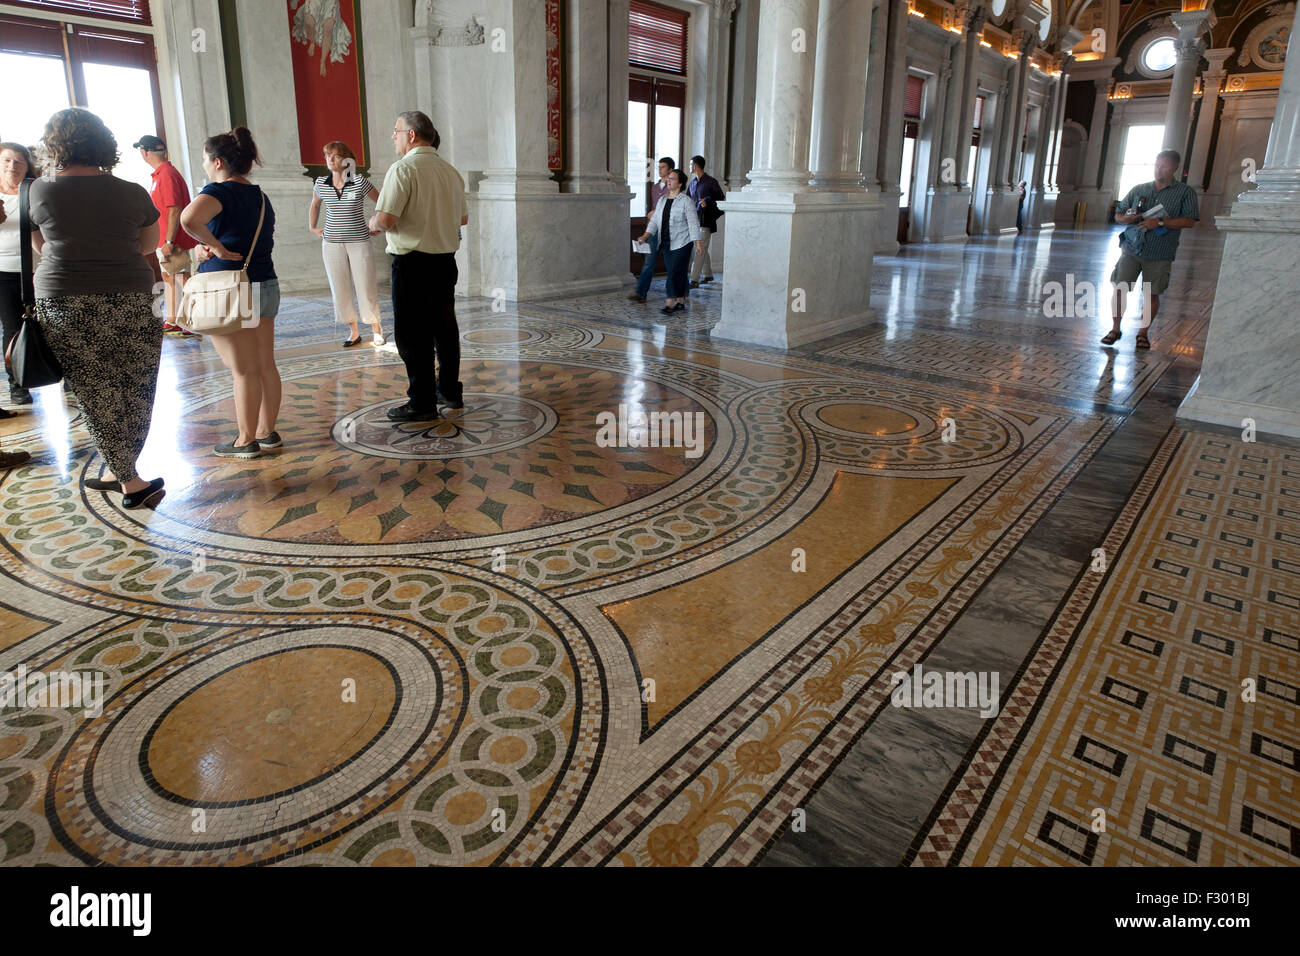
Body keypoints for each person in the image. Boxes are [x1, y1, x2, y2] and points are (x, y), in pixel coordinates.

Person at [27, 109, 164, 507]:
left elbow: (39, 246)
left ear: (55, 145)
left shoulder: (40, 190)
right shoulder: (132, 191)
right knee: (137, 384)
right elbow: (147, 246)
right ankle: (127, 472)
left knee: (95, 389)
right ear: (104, 144)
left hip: (65, 299)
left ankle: (125, 475)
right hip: (134, 297)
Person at [180, 127, 282, 457]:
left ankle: (245, 440)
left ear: (219, 162)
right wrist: (210, 246)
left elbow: (188, 219)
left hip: (230, 290)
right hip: (265, 283)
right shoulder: (260, 197)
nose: (205, 167)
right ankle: (268, 433)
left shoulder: (219, 191)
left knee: (243, 370)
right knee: (265, 364)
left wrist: (216, 249)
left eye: (205, 161)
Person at [368, 110, 467, 422]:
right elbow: (462, 218)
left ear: (411, 135)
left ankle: (421, 402)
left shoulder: (402, 169)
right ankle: (449, 391)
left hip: (412, 264)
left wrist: (373, 221)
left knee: (412, 336)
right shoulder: (451, 171)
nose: (393, 136)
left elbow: (385, 219)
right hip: (445, 262)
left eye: (396, 131)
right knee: (445, 329)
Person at [1104, 149, 1198, 351]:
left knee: (1151, 294)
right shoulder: (1140, 189)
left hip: (1159, 253)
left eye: (1163, 166)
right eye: (1157, 165)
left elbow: (1190, 220)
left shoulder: (1185, 193)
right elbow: (1119, 215)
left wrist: (1162, 221)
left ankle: (1142, 333)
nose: (1159, 169)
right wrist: (1126, 219)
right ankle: (1115, 329)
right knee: (1120, 289)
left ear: (1174, 168)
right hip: (1131, 249)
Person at [309, 141, 385, 348]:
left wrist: (379, 225)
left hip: (359, 241)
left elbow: (382, 203)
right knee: (339, 287)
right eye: (328, 156)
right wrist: (313, 228)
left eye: (336, 156)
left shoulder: (359, 181)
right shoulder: (320, 183)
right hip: (331, 243)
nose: (330, 160)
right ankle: (353, 331)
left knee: (365, 285)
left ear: (347, 160)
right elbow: (315, 204)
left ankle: (376, 329)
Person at [135, 134, 199, 336]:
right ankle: (174, 319)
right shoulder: (160, 174)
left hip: (173, 240)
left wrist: (170, 241)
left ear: (145, 152)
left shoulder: (167, 174)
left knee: (182, 278)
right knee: (170, 278)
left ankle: (192, 318)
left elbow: (174, 209)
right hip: (164, 238)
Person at [0, 142, 37, 406]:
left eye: (18, 161)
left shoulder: (35, 191)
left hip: (38, 269)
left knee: (52, 327)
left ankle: (64, 376)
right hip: (3, 273)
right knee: (13, 329)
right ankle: (18, 384)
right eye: (6, 161)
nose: (12, 166)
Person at [637, 168, 703, 316]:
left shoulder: (686, 201)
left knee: (673, 272)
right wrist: (645, 236)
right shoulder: (662, 200)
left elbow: (693, 223)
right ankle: (680, 301)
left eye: (672, 179)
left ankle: (669, 302)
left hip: (683, 242)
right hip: (667, 242)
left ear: (679, 184)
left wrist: (697, 242)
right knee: (677, 272)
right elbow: (654, 221)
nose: (668, 180)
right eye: (668, 178)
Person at [628, 156, 675, 304]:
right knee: (649, 261)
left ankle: (678, 294)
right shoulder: (655, 188)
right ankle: (641, 293)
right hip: (654, 230)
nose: (659, 170)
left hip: (669, 230)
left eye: (662, 167)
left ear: (670, 170)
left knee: (673, 263)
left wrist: (658, 212)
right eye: (659, 167)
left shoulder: (674, 187)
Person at [687, 155, 724, 288]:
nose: (689, 167)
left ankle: (694, 279)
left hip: (705, 221)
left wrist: (708, 202)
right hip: (694, 221)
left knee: (699, 249)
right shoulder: (692, 183)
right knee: (701, 247)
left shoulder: (711, 182)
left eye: (690, 164)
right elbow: (687, 200)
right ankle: (708, 274)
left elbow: (721, 200)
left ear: (695, 166)